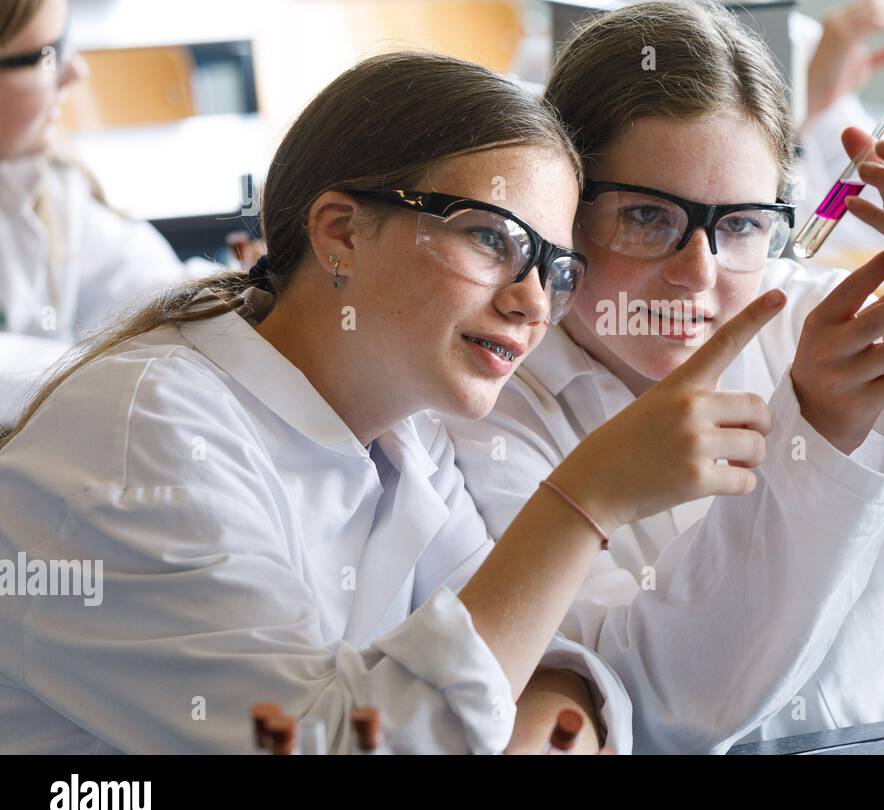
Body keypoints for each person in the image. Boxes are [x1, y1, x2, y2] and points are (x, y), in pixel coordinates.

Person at [0, 49, 792, 754]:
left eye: (553, 267)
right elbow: (327, 742)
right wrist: (586, 499)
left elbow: (536, 661)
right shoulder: (145, 444)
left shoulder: (407, 436)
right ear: (340, 233)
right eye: (490, 238)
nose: (532, 304)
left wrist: (557, 710)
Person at [446, 0, 884, 753]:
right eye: (646, 217)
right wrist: (821, 431)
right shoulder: (490, 411)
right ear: (562, 206)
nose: (695, 274)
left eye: (738, 225)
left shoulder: (819, 325)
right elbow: (659, 705)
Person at [516, 0, 884, 262]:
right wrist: (796, 116)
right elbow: (762, 255)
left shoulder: (801, 43)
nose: (768, 0)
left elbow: (863, 228)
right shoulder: (564, 62)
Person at [0, 0, 220, 427]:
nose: (76, 72)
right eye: (43, 55)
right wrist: (111, 370)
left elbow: (147, 291)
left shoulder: (44, 183)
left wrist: (250, 295)